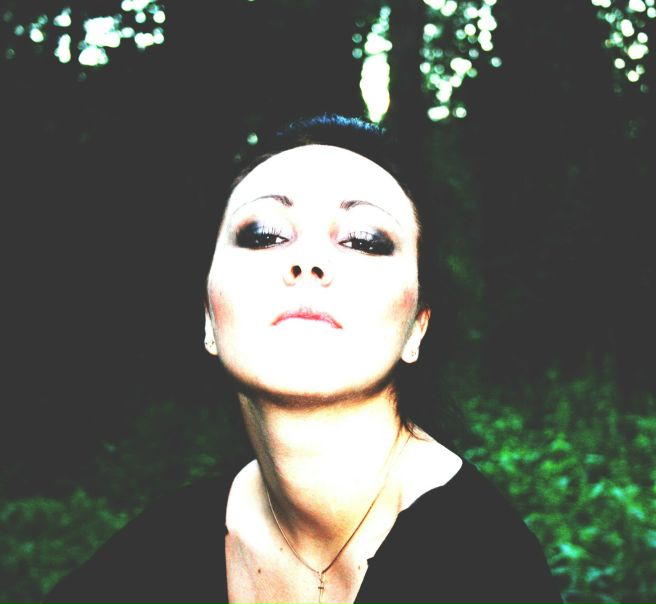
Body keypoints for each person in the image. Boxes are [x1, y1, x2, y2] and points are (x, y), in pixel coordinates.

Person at [43, 114, 563, 603]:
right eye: (264, 234)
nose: (308, 260)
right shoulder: (159, 550)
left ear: (417, 327)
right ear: (208, 318)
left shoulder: (485, 566)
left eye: (364, 240)